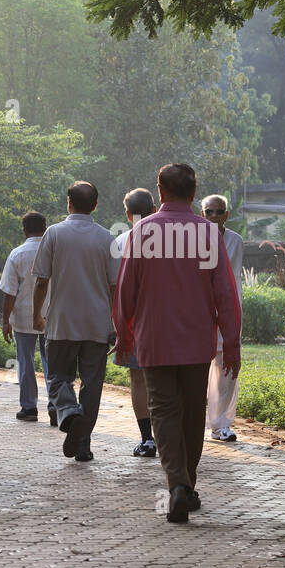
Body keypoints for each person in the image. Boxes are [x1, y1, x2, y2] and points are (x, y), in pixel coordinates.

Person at [114, 163, 240, 524]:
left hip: (154, 339)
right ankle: (187, 484)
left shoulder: (143, 231)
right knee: (192, 411)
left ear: (160, 190)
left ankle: (177, 486)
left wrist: (123, 332)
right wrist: (231, 341)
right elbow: (225, 293)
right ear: (193, 193)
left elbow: (126, 289)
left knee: (164, 411)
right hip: (197, 340)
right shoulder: (207, 233)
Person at [32, 181, 118, 462]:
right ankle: (83, 443)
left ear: (68, 202)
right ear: (95, 205)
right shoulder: (107, 238)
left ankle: (69, 412)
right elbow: (115, 287)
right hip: (97, 323)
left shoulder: (54, 234)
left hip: (61, 322)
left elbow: (42, 280)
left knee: (58, 377)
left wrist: (36, 313)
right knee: (92, 385)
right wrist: (116, 323)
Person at [113, 187, 158, 457]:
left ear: (127, 213)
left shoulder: (120, 243)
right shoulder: (175, 240)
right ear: (154, 209)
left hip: (133, 322)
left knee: (138, 379)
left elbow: (116, 289)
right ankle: (170, 438)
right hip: (166, 320)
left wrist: (118, 327)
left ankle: (147, 439)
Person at [0, 212, 51, 422]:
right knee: (52, 362)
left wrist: (5, 321)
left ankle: (29, 407)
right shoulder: (53, 252)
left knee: (26, 361)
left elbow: (10, 292)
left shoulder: (17, 254)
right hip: (51, 315)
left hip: (23, 316)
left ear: (25, 230)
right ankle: (56, 403)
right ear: (45, 228)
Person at [202, 195, 244, 442]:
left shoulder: (235, 241)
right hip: (201, 312)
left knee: (227, 367)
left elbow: (233, 280)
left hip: (229, 311)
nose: (214, 216)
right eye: (210, 212)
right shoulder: (194, 240)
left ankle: (221, 424)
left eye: (219, 212)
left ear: (227, 215)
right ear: (202, 214)